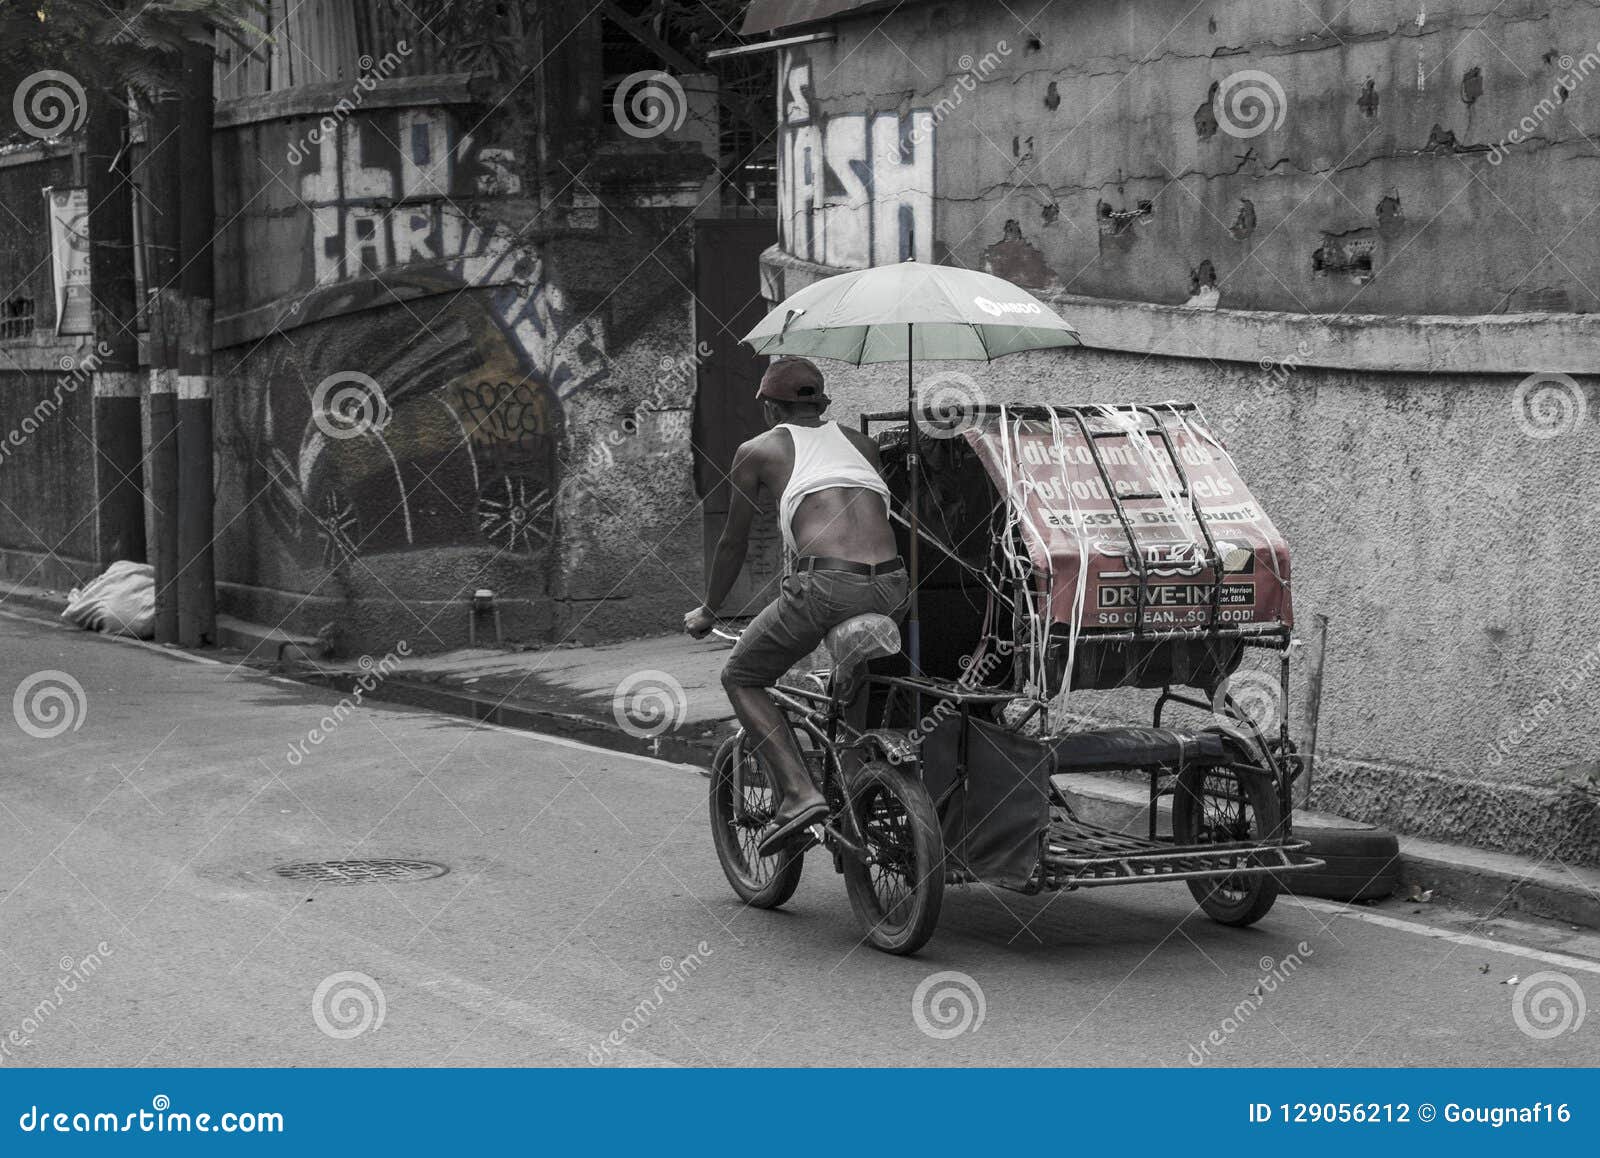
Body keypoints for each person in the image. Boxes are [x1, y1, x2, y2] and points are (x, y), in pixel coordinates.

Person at [684, 358, 907, 856]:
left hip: (827, 585)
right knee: (850, 678)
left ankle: (799, 793)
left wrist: (709, 611)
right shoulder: (861, 443)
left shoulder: (757, 449)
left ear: (769, 408)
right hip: (893, 587)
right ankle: (853, 774)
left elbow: (732, 542)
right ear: (822, 404)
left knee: (741, 676)